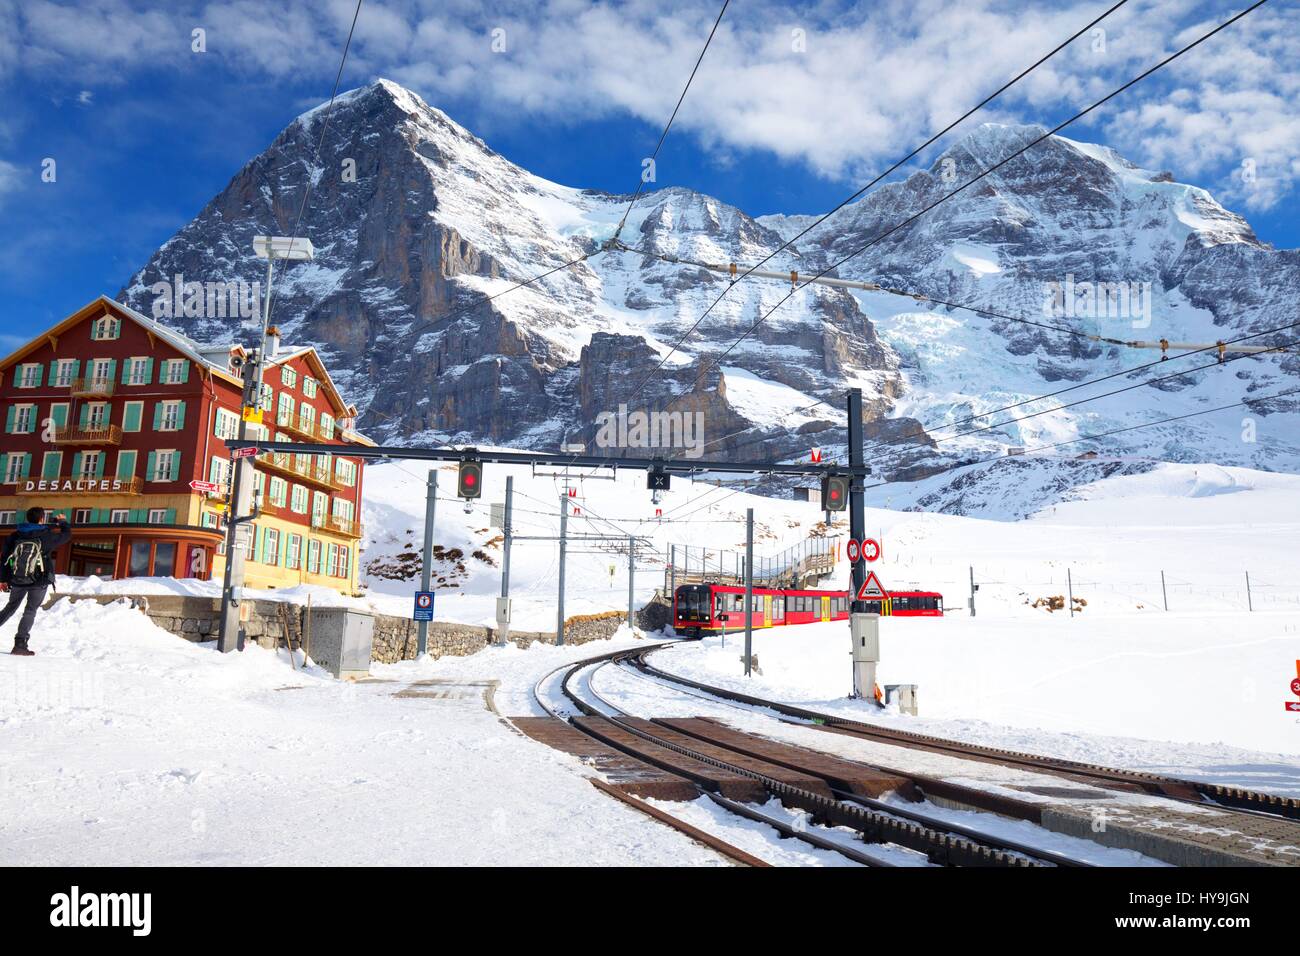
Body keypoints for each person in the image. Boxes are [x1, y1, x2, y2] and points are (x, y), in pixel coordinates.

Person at [0, 507, 73, 656]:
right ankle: (20, 644)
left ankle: (20, 644)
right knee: (30, 610)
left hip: (18, 578)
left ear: (27, 518)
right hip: (39, 580)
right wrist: (63, 522)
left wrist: (3, 579)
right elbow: (66, 536)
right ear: (42, 519)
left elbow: (4, 558)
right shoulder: (45, 535)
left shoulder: (15, 535)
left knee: (11, 606)